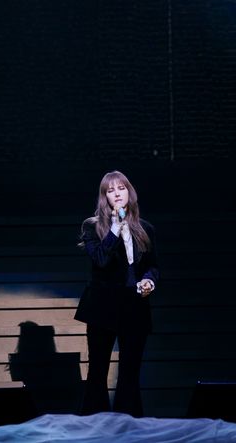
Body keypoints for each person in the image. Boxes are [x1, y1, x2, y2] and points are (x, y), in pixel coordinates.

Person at [74, 170, 160, 417]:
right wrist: (115, 228)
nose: (117, 194)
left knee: (130, 373)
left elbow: (152, 265)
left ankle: (129, 424)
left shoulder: (145, 228)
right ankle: (95, 424)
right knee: (98, 371)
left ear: (129, 192)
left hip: (135, 306)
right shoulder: (92, 226)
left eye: (121, 188)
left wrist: (149, 281)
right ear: (105, 198)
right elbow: (101, 260)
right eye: (110, 190)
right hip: (103, 306)